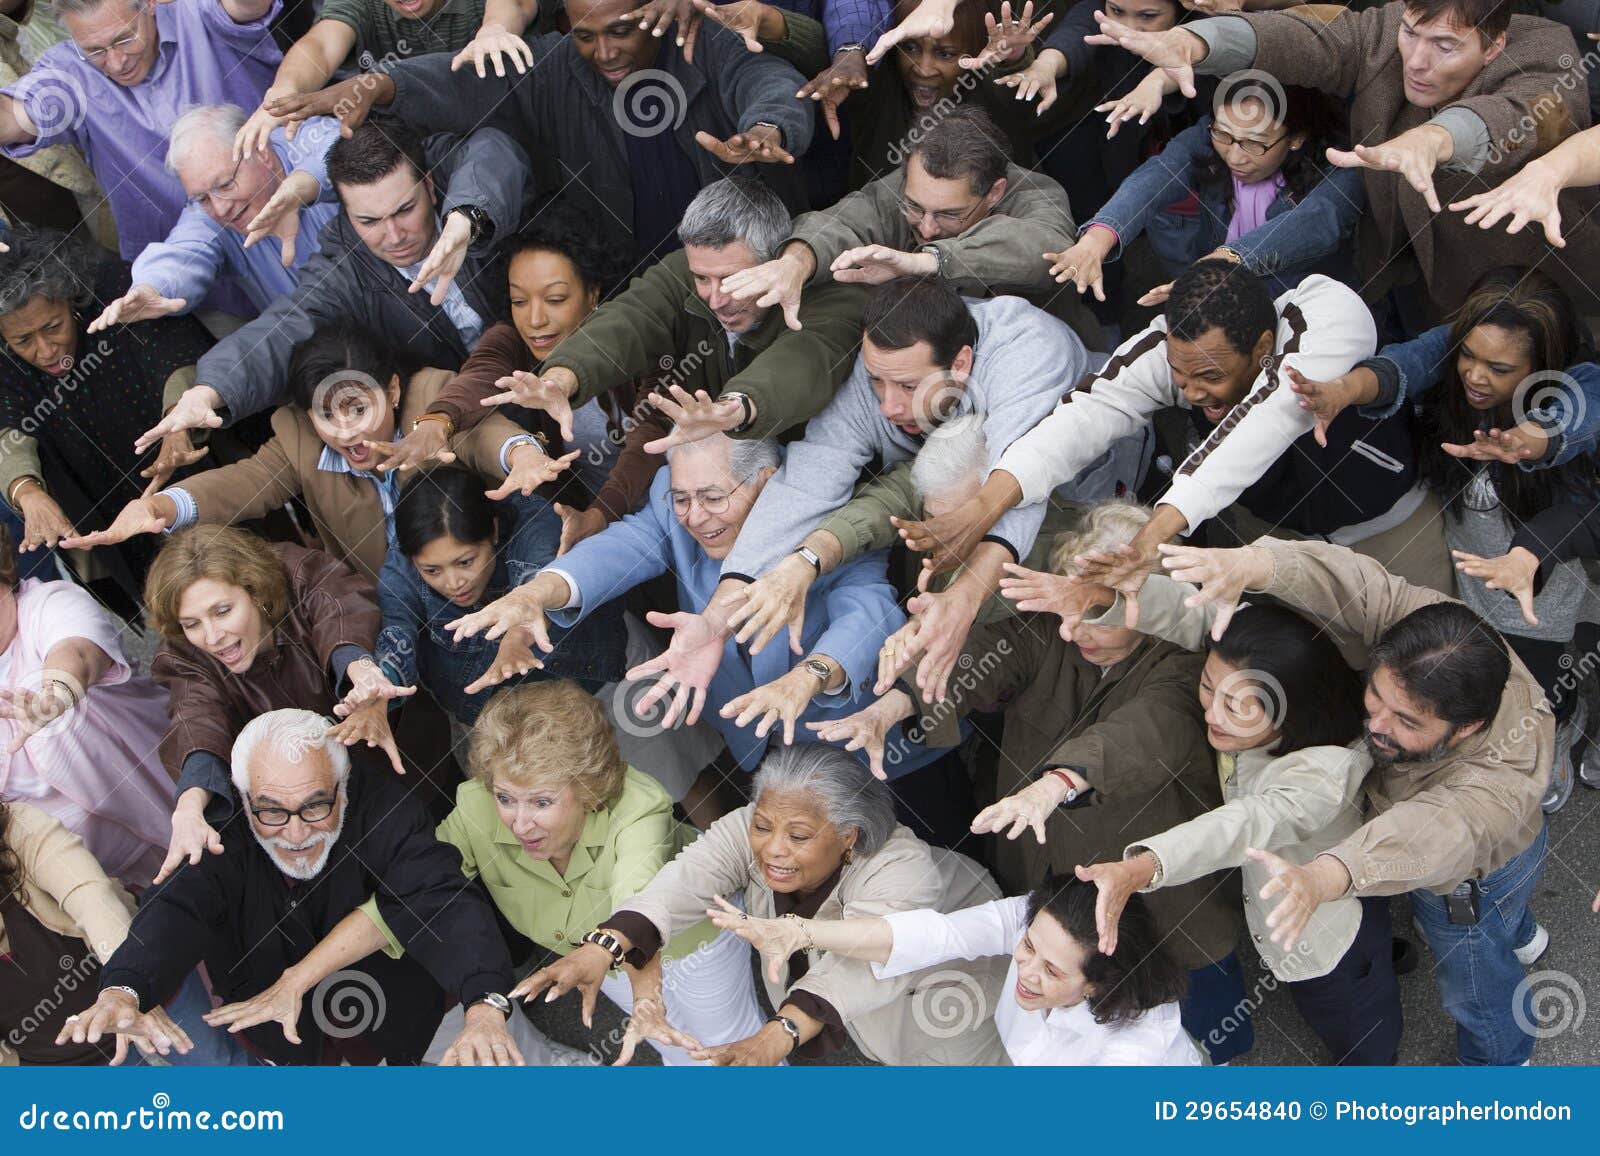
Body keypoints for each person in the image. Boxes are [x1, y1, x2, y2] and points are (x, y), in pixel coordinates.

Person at [815, 500, 1250, 1061]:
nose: (1072, 630)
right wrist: (891, 708)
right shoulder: (1055, 630)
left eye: (1094, 612)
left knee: (1199, 1008)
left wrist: (1053, 786)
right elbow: (979, 662)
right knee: (1074, 999)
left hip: (1160, 899)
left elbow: (1137, 737)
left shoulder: (1184, 667)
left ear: (1147, 603)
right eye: (1066, 607)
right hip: (1052, 876)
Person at [449, 434, 970, 842]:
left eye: (713, 498)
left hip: (872, 744)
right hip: (766, 751)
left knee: (937, 871)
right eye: (682, 499)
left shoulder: (828, 514)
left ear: (766, 483)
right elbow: (625, 545)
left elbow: (870, 612)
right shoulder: (674, 506)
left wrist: (808, 679)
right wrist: (540, 591)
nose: (695, 517)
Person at [1153, 536, 1551, 1066]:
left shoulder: (1499, 778)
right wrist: (1251, 564)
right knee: (1506, 925)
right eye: (1377, 697)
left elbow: (1434, 835)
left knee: (1474, 980)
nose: (1375, 727)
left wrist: (1328, 875)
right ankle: (1524, 934)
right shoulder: (1432, 629)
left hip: (1473, 874)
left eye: (1406, 721)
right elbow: (1356, 582)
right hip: (1482, 852)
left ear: (1468, 728)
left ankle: (1502, 1062)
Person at [916, 258, 1459, 608]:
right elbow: (1081, 417)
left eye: (1210, 377)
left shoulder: (1330, 318)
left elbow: (1261, 423)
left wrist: (1149, 540)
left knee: (1432, 659)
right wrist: (982, 507)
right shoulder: (1176, 349)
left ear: (1263, 346)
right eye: (1181, 375)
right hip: (1275, 543)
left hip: (1393, 530)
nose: (1192, 392)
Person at [290, 680, 768, 1065]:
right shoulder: (476, 808)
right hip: (598, 962)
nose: (519, 823)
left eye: (541, 801)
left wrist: (648, 993)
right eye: (505, 798)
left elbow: (638, 906)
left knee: (733, 1045)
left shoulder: (638, 805)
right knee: (674, 1049)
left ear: (588, 786)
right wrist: (297, 980)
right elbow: (410, 896)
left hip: (690, 942)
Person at [691, 275, 1102, 715]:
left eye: (908, 387)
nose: (888, 407)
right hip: (967, 533)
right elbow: (810, 480)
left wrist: (962, 601)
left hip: (1086, 501)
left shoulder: (1029, 353)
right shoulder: (885, 371)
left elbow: (1019, 487)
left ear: (960, 364)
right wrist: (718, 614)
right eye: (876, 383)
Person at [1287, 268, 1600, 813]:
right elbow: (1405, 365)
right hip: (1473, 584)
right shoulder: (1452, 401)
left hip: (1537, 597)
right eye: (1468, 356)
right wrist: (1343, 390)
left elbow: (1582, 507)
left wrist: (1527, 550)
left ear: (1540, 369)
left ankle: (1562, 734)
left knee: (1542, 691)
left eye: (1499, 368)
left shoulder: (1565, 422)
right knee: (1486, 688)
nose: (1475, 376)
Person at [396, 179, 868, 532]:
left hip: (810, 500)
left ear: (776, 260)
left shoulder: (832, 292)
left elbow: (801, 363)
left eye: (732, 279)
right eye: (702, 279)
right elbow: (633, 315)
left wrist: (732, 409)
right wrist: (560, 381)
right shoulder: (686, 275)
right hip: (677, 512)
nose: (716, 297)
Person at [59, 709, 524, 1066]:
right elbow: (177, 910)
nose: (297, 834)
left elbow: (439, 896)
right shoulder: (224, 834)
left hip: (408, 1008)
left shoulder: (386, 808)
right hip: (290, 1037)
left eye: (316, 806)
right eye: (272, 812)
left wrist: (484, 1003)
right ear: (243, 799)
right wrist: (124, 988)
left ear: (344, 789)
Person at [1087, 0, 1600, 323]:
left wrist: (1435, 139)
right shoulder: (1386, 29)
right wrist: (1200, 40)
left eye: (1445, 46)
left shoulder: (1545, 48)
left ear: (1494, 48)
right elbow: (1307, 40)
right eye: (1411, 34)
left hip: (1544, 281)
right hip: (1413, 279)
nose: (1417, 61)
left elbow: (1523, 113)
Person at [1071, 580, 1403, 1065]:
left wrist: (1143, 867)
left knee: (1352, 1017)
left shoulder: (1326, 772)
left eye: (1237, 705)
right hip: (1308, 907)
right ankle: (1385, 967)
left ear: (1291, 704)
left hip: (1323, 932)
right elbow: (1199, 620)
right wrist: (1100, 599)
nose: (1212, 712)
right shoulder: (1258, 668)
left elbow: (1245, 823)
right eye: (1207, 688)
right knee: (1361, 974)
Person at [517, 743, 1010, 1065]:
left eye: (798, 836)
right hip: (854, 997)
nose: (772, 847)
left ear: (848, 837)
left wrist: (778, 1034)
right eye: (763, 826)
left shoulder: (903, 868)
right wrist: (604, 945)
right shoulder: (764, 819)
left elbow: (864, 966)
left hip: (947, 980)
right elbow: (689, 879)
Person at [272, 0, 816, 260]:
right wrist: (376, 87)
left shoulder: (701, 40)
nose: (604, 52)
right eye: (585, 36)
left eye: (622, 31)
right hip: (642, 281)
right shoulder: (558, 68)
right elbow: (466, 81)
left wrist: (769, 129)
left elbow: (766, 78)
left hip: (755, 263)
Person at [66, 322, 560, 585]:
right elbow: (244, 483)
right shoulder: (298, 435)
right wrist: (160, 507)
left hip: (488, 580)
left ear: (390, 390)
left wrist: (519, 454)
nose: (346, 431)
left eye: (357, 407)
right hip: (396, 608)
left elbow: (481, 434)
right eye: (328, 415)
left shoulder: (432, 395)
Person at [140, 120, 531, 451]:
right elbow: (284, 328)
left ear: (429, 186)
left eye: (405, 210)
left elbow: (494, 151)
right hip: (470, 424)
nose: (394, 235)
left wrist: (467, 217)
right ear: (345, 211)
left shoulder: (451, 171)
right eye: (370, 221)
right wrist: (210, 391)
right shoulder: (343, 263)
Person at [373, 203, 669, 533]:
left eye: (555, 299)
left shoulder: (638, 336)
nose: (535, 320)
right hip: (605, 526)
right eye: (519, 301)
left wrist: (601, 515)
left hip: (677, 503)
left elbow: (649, 439)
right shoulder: (516, 342)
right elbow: (481, 371)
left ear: (593, 292)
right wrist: (436, 422)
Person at [143, 526, 411, 882]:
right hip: (309, 803)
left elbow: (339, 611)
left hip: (398, 753)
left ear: (255, 592)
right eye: (191, 623)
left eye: (222, 611)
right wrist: (190, 804)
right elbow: (195, 717)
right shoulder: (185, 651)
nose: (211, 637)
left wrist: (361, 673)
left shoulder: (300, 573)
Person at [710, 873, 1200, 1065]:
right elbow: (931, 934)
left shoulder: (1135, 1048)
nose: (1026, 973)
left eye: (1052, 972)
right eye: (1026, 948)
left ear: (1099, 985)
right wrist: (803, 932)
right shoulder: (1037, 920)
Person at [0, 0, 282, 313]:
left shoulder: (200, 13)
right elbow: (13, 117)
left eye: (124, 38)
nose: (117, 62)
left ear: (150, 3)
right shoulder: (69, 72)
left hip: (293, 225)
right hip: (192, 290)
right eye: (95, 50)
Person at [0, 227, 214, 612]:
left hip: (183, 460)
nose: (46, 351)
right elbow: (7, 429)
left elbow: (171, 352)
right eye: (23, 341)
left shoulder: (115, 289)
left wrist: (178, 421)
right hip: (96, 485)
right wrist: (27, 493)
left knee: (229, 561)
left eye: (53, 327)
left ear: (71, 302)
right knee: (164, 597)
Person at [720, 105, 1085, 329]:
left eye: (949, 214)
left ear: (995, 192)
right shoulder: (901, 186)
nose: (926, 227)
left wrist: (925, 261)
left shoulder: (1040, 195)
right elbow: (842, 222)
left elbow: (1048, 250)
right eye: (914, 207)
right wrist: (795, 263)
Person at [1051, 72, 1360, 299]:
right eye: (1223, 135)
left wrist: (1221, 265)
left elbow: (1318, 220)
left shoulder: (1341, 168)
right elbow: (1159, 174)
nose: (1234, 156)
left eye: (1255, 144)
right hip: (1218, 296)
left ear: (1297, 138)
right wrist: (1097, 239)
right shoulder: (1209, 137)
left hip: (1298, 304)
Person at [1, 800, 245, 1065]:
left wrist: (128, 990)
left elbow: (92, 896)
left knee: (222, 1076)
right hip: (63, 1063)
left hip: (150, 991)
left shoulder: (16, 825)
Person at [377, 468, 626, 725]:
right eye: (432, 570)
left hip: (597, 680)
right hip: (496, 722)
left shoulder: (534, 521)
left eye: (465, 562)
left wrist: (516, 639)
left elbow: (540, 582)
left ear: (493, 530)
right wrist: (380, 690)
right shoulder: (403, 562)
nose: (453, 583)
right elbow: (396, 627)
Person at [0, 524, 174, 887]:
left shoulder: (51, 603)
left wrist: (56, 695)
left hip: (177, 818)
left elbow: (77, 651)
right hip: (95, 886)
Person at [92, 103, 342, 329]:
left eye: (225, 185)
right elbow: (183, 255)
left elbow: (347, 147)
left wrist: (301, 186)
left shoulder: (306, 141)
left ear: (261, 151)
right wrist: (152, 286)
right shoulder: (206, 217)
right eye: (202, 198)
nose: (220, 209)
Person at [237, 0, 549, 157]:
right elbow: (320, 45)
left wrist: (495, 29)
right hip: (425, 156)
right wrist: (285, 90)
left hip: (520, 138)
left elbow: (513, 4)